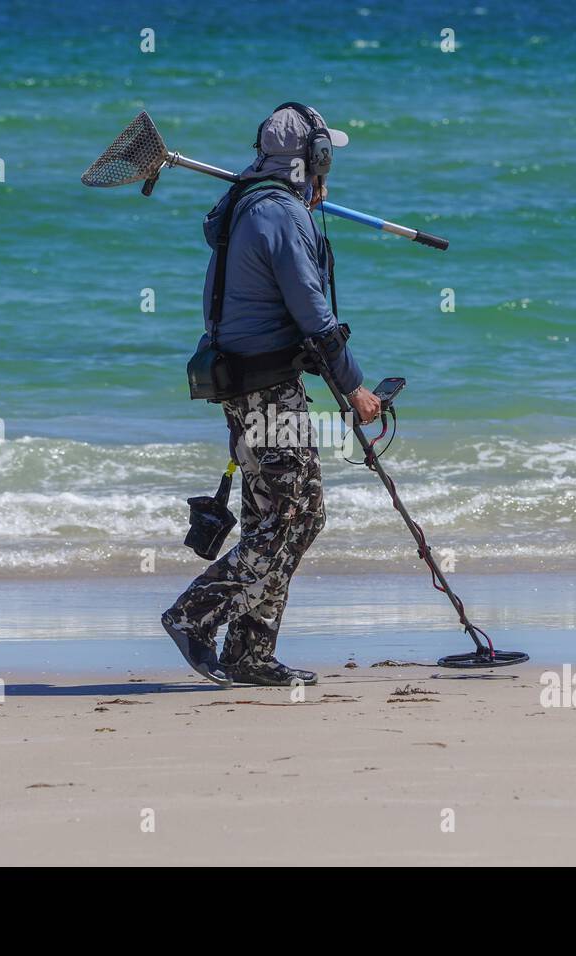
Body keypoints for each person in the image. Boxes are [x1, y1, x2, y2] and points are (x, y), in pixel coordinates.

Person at [161, 103, 381, 687]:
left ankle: (250, 653)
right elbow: (315, 315)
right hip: (264, 390)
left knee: (289, 515)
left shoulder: (248, 203)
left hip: (249, 382)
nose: (328, 164)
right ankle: (194, 615)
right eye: (324, 154)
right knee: (291, 518)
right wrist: (354, 387)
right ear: (310, 159)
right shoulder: (278, 214)